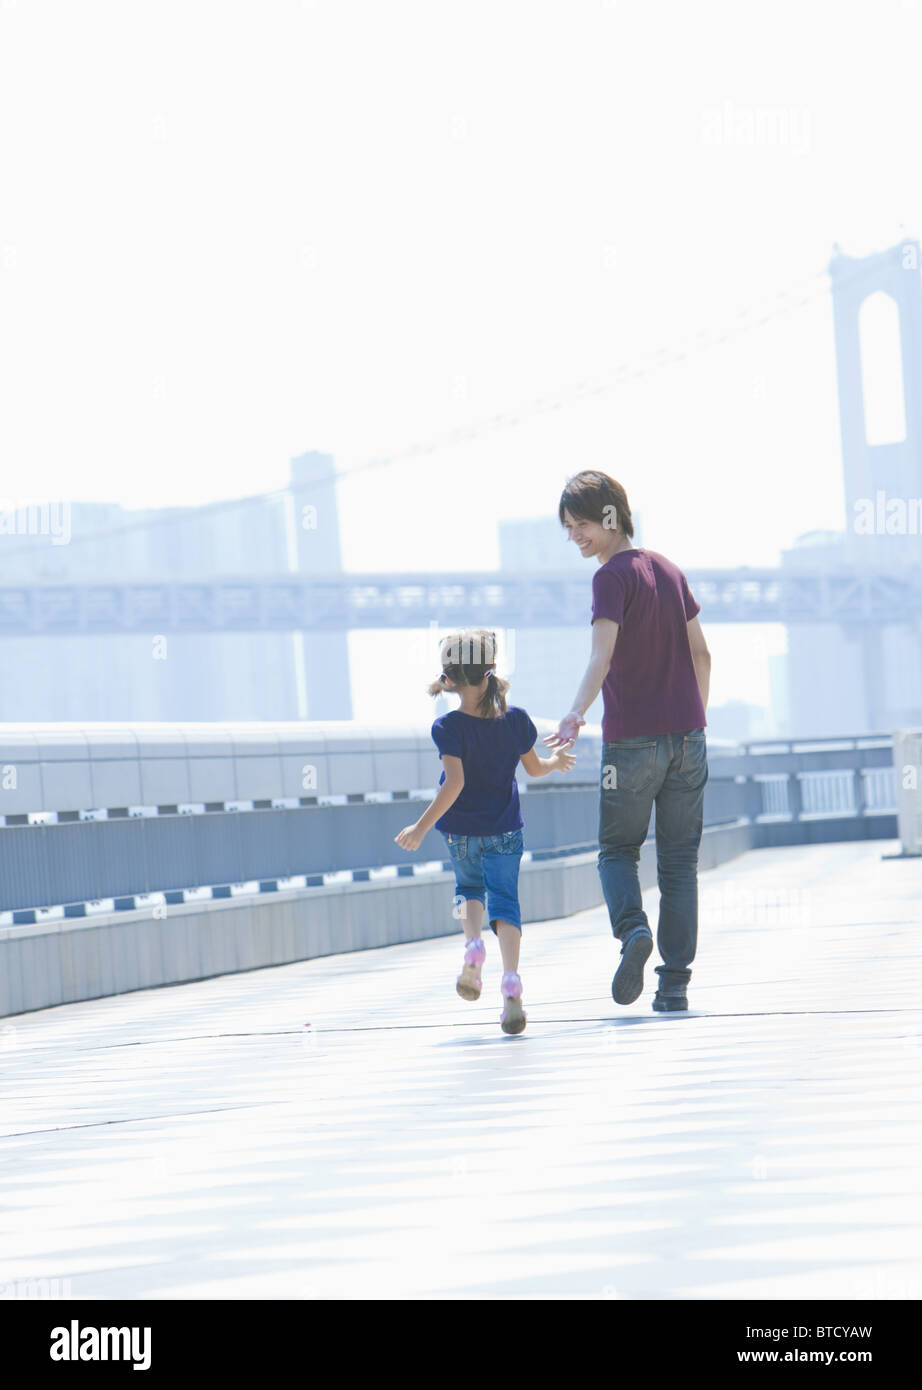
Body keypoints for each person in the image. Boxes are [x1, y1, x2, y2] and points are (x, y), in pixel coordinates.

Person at [544, 471, 711, 1013]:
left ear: (612, 515)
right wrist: (692, 719)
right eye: (569, 528)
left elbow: (602, 655)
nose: (576, 537)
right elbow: (703, 655)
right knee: (679, 862)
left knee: (617, 851)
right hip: (689, 739)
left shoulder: (610, 579)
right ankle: (674, 986)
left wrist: (574, 714)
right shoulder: (669, 570)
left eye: (584, 524)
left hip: (631, 745)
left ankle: (634, 932)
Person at [395, 627, 576, 1034]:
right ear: (489, 673)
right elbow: (534, 769)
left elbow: (454, 785)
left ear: (451, 679)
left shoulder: (447, 727)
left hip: (460, 832)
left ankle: (473, 950)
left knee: (469, 891)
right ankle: (511, 985)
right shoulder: (516, 721)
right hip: (505, 831)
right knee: (506, 903)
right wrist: (556, 762)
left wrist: (420, 828)